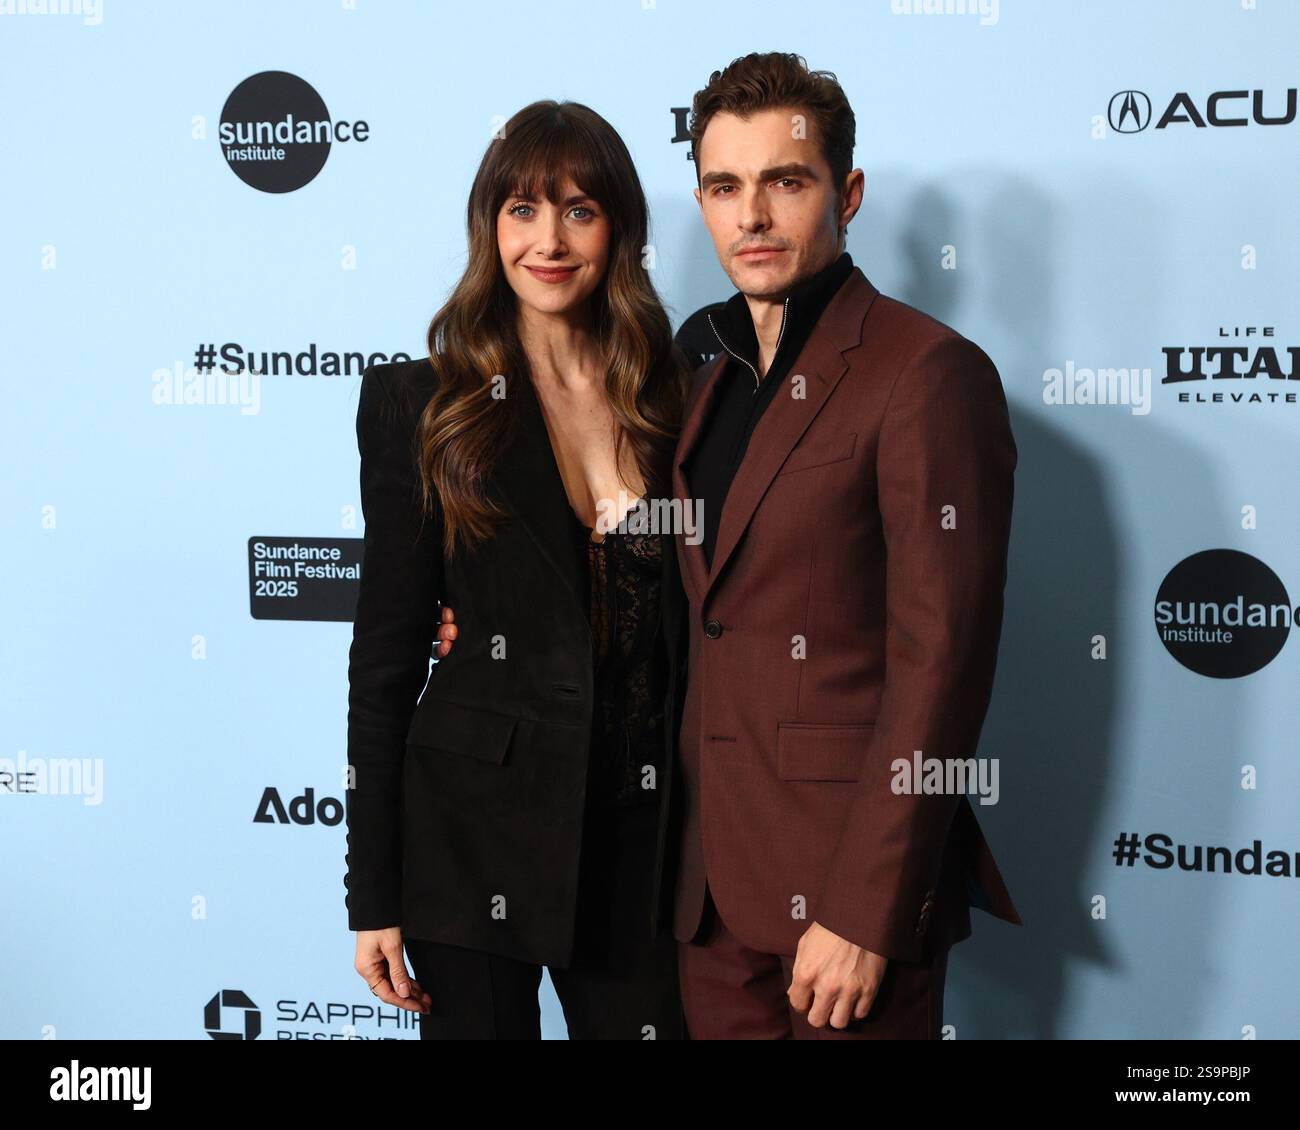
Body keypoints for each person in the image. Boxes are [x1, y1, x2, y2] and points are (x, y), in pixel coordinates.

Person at [439, 52, 1022, 1040]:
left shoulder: (925, 372)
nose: (751, 215)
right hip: (702, 898)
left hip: (845, 899)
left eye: (784, 182)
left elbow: (943, 665)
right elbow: (666, 579)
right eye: (723, 186)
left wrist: (867, 907)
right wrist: (499, 621)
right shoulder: (694, 378)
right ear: (700, 203)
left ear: (846, 192)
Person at [345, 99, 689, 1039]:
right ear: (489, 225)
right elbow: (383, 662)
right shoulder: (425, 403)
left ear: (618, 228)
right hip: (472, 831)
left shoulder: (675, 395)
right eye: (522, 210)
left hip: (634, 832)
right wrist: (372, 889)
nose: (549, 239)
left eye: (580, 210)